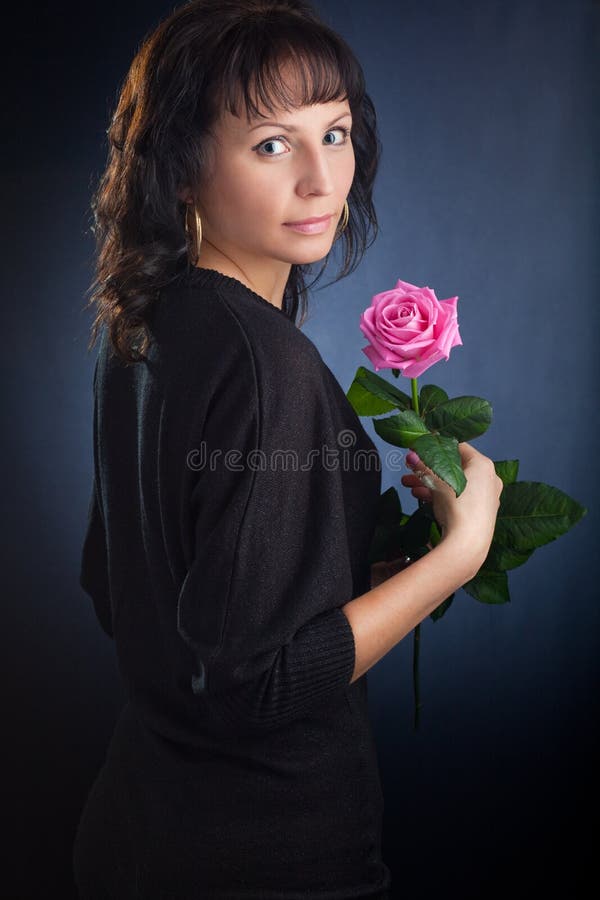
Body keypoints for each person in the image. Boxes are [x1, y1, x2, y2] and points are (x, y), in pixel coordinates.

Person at [73, 1, 504, 898]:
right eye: (272, 143)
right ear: (182, 166)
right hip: (266, 859)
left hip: (135, 837)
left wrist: (353, 569)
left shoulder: (144, 327)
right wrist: (457, 558)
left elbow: (123, 591)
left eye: (335, 133)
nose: (321, 179)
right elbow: (252, 686)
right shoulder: (267, 363)